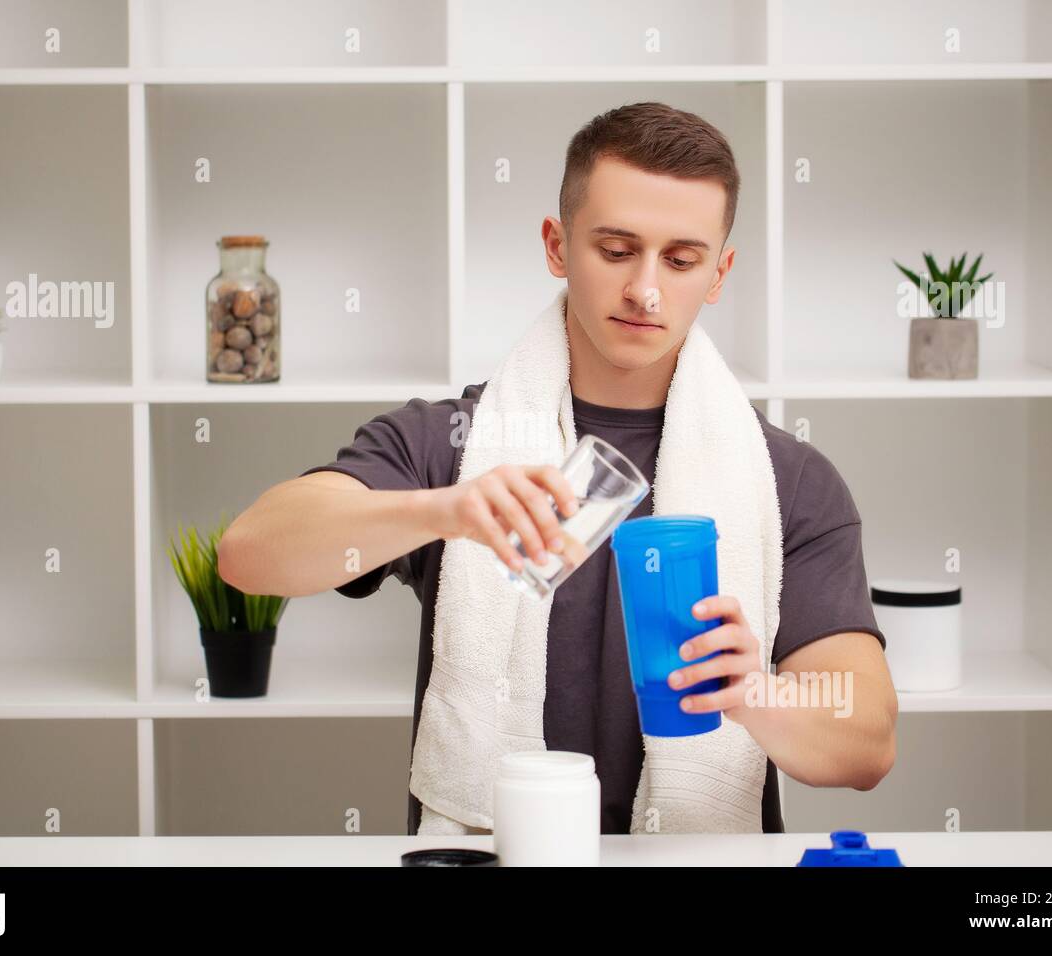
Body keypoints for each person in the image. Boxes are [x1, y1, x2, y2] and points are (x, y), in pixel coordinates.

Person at [219, 101, 897, 835]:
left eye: (680, 259)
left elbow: (868, 747)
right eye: (615, 249)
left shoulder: (788, 479)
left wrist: (753, 693)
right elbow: (248, 554)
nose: (645, 290)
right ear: (556, 244)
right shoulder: (452, 443)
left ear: (720, 271)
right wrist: (443, 509)